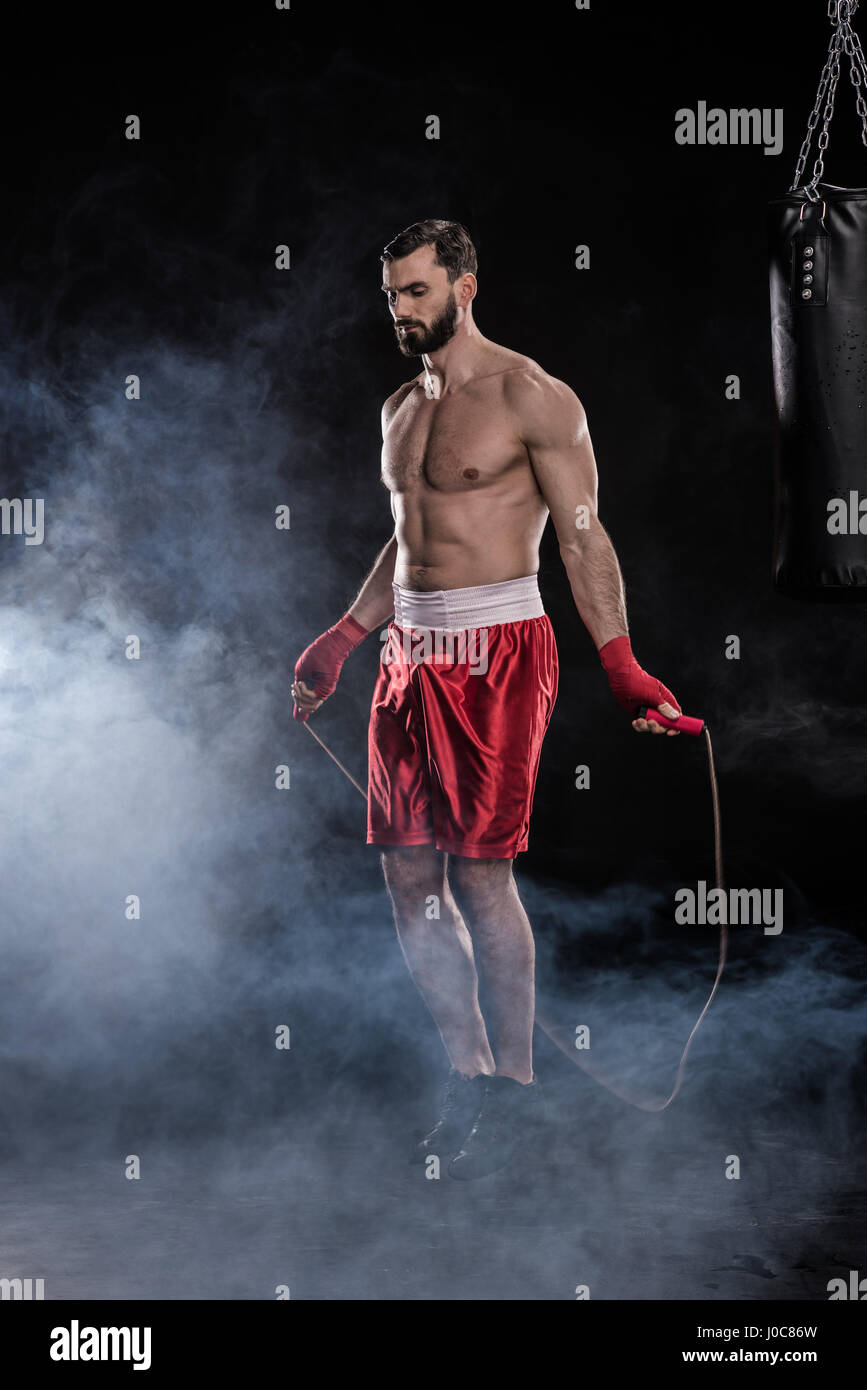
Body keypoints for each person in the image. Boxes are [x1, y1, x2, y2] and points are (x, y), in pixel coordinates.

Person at [292, 219, 681, 1180]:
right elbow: (409, 536)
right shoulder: (397, 407)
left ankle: (514, 1090)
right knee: (407, 878)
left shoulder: (529, 395)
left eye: (416, 293)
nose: (400, 311)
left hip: (497, 653)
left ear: (466, 286)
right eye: (391, 296)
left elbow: (584, 537)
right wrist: (347, 634)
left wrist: (622, 662)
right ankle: (465, 1076)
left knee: (478, 877)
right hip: (407, 657)